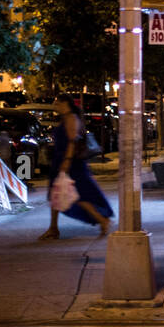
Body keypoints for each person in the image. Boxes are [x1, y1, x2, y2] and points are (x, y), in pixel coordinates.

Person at [39, 95, 113, 239]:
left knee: (79, 196)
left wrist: (66, 161)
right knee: (55, 194)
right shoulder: (65, 118)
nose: (56, 107)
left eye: (57, 104)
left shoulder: (72, 118)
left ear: (65, 103)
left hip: (71, 163)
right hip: (61, 161)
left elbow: (73, 141)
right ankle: (53, 228)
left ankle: (102, 220)